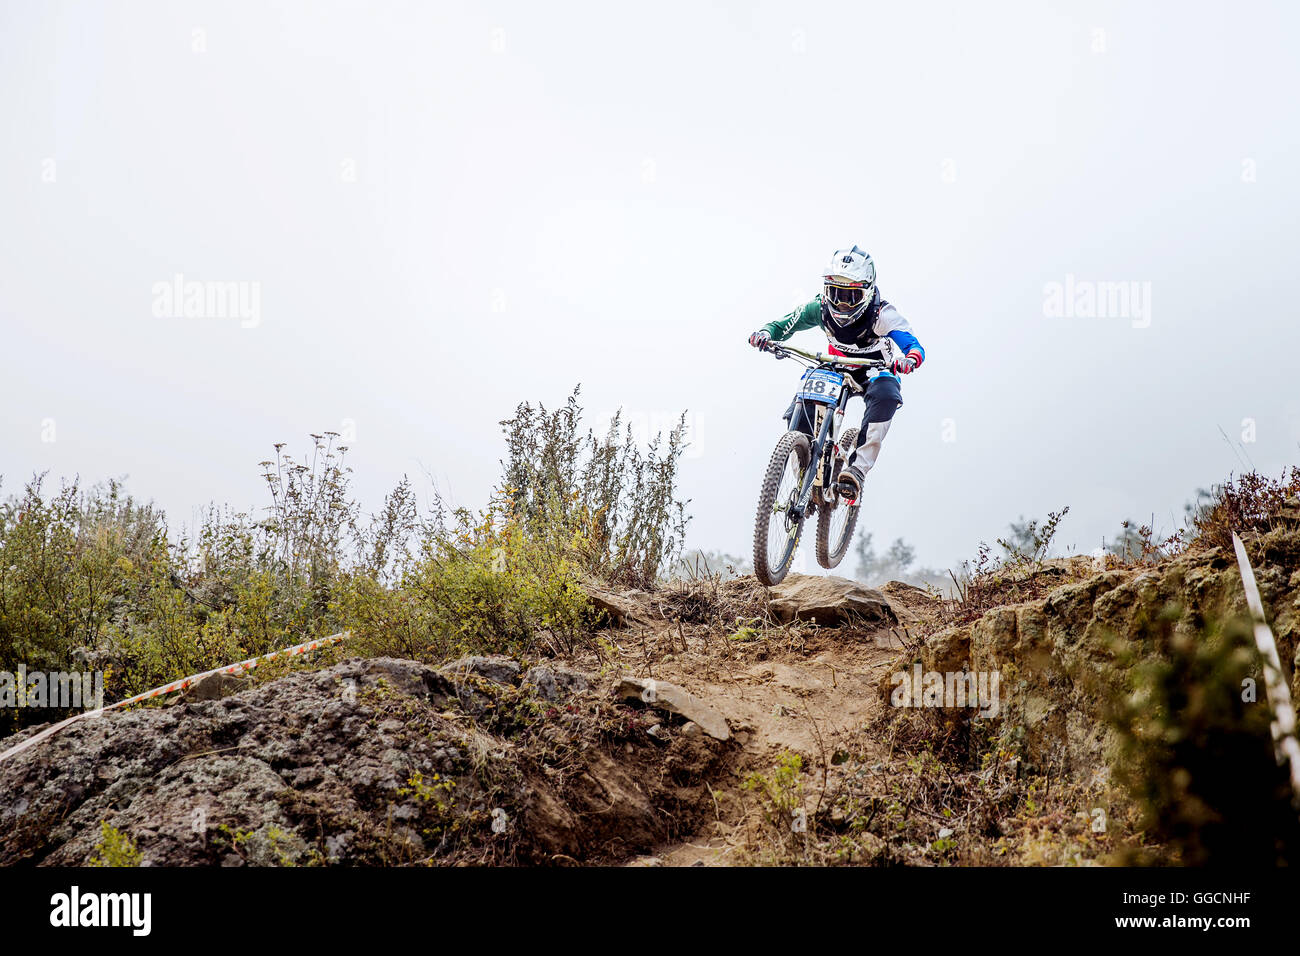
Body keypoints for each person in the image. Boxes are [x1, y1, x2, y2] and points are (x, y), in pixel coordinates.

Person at [748, 245, 925, 501]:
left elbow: (913, 345)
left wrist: (909, 359)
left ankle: (857, 469)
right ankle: (803, 467)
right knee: (807, 390)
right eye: (836, 294)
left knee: (886, 394)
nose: (841, 304)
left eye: (850, 296)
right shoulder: (818, 309)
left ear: (866, 293)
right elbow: (783, 324)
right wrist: (765, 334)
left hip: (875, 369)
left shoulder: (882, 314)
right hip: (836, 364)